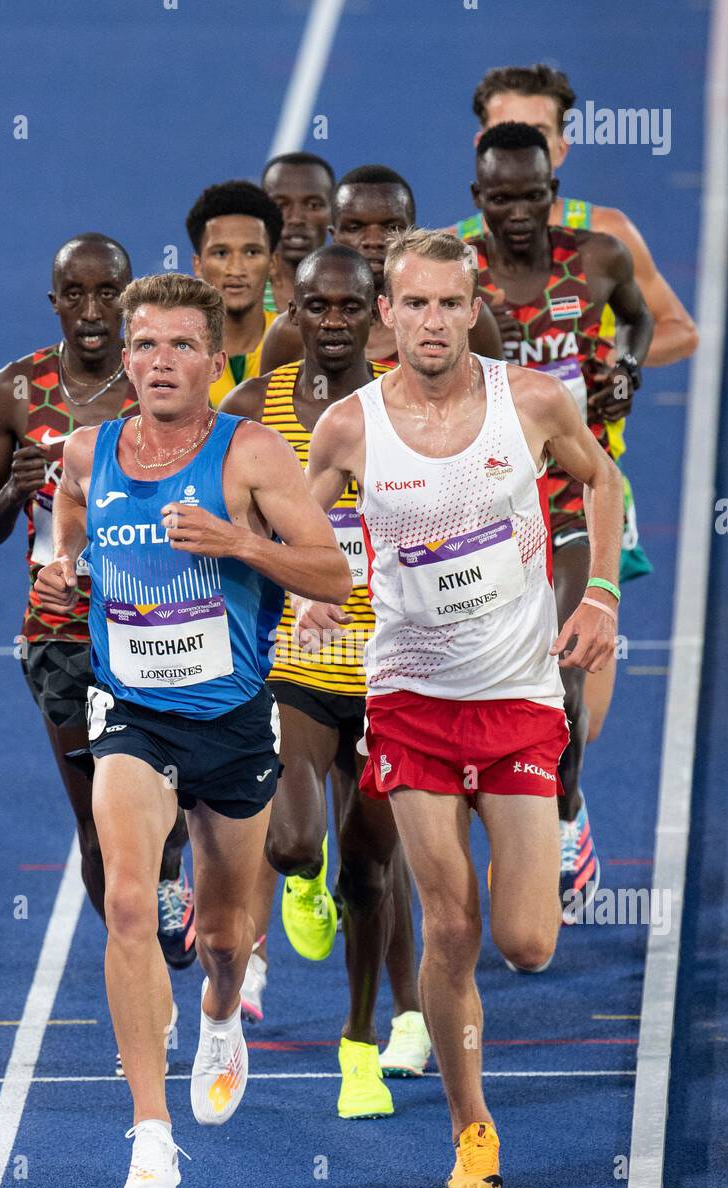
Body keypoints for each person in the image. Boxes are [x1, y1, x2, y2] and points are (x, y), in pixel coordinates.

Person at [305, 227, 624, 1188]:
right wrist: (308, 588)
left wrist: (601, 592)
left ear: (472, 305)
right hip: (410, 708)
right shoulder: (351, 427)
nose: (434, 321)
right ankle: (472, 1129)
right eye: (416, 304)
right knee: (450, 929)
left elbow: (601, 477)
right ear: (386, 315)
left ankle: (564, 824)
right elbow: (298, 517)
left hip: (519, 702)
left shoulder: (527, 401)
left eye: (451, 303)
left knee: (526, 942)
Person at [34, 273, 351, 1188]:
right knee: (130, 902)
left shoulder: (248, 452)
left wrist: (238, 543)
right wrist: (64, 571)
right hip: (132, 715)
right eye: (144, 346)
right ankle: (150, 1136)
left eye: (180, 346)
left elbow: (329, 572)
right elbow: (72, 529)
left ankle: (218, 1015)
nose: (160, 362)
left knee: (221, 936)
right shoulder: (90, 451)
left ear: (215, 361)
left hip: (235, 724)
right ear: (124, 359)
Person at [0, 234, 197, 1023]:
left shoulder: (166, 380)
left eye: (109, 294)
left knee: (167, 811)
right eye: (76, 294)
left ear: (130, 299)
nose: (93, 312)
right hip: (61, 634)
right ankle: (145, 985)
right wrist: (11, 494)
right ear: (54, 301)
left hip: (161, 621)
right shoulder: (15, 394)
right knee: (99, 826)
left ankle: (170, 874)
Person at [223, 245, 432, 1111]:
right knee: (293, 843)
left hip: (390, 667)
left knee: (373, 870)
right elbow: (224, 528)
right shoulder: (250, 410)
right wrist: (292, 578)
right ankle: (300, 880)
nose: (336, 321)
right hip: (297, 666)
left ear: (376, 311)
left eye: (352, 306)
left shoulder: (412, 401)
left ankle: (364, 1043)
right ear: (293, 311)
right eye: (319, 306)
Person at [449, 62, 699, 741]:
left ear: (558, 150)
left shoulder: (602, 238)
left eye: (535, 131)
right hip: (487, 495)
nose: (520, 141)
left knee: (576, 703)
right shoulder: (451, 257)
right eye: (505, 130)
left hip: (586, 481)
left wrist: (616, 366)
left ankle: (565, 824)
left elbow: (675, 328)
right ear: (481, 148)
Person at [466, 123, 653, 917]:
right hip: (479, 513)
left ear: (552, 192)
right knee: (484, 692)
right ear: (478, 201)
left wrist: (626, 368)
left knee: (565, 681)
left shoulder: (598, 257)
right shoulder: (456, 283)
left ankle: (566, 816)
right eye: (500, 197)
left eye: (531, 194)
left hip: (571, 497)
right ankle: (512, 827)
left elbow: (639, 319)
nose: (517, 210)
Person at [260, 165, 504, 371]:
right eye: (355, 228)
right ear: (334, 236)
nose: (373, 240)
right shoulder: (292, 331)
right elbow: (267, 417)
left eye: (391, 227)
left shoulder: (465, 319)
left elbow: (498, 409)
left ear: (413, 234)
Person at [186, 181, 283, 406]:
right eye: (221, 253)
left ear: (273, 262)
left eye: (251, 252)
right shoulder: (172, 351)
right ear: (198, 265)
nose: (236, 270)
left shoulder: (304, 346)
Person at [261, 152, 335, 313]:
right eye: (281, 205)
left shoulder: (358, 296)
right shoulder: (236, 297)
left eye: (313, 205)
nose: (296, 218)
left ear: (334, 213)